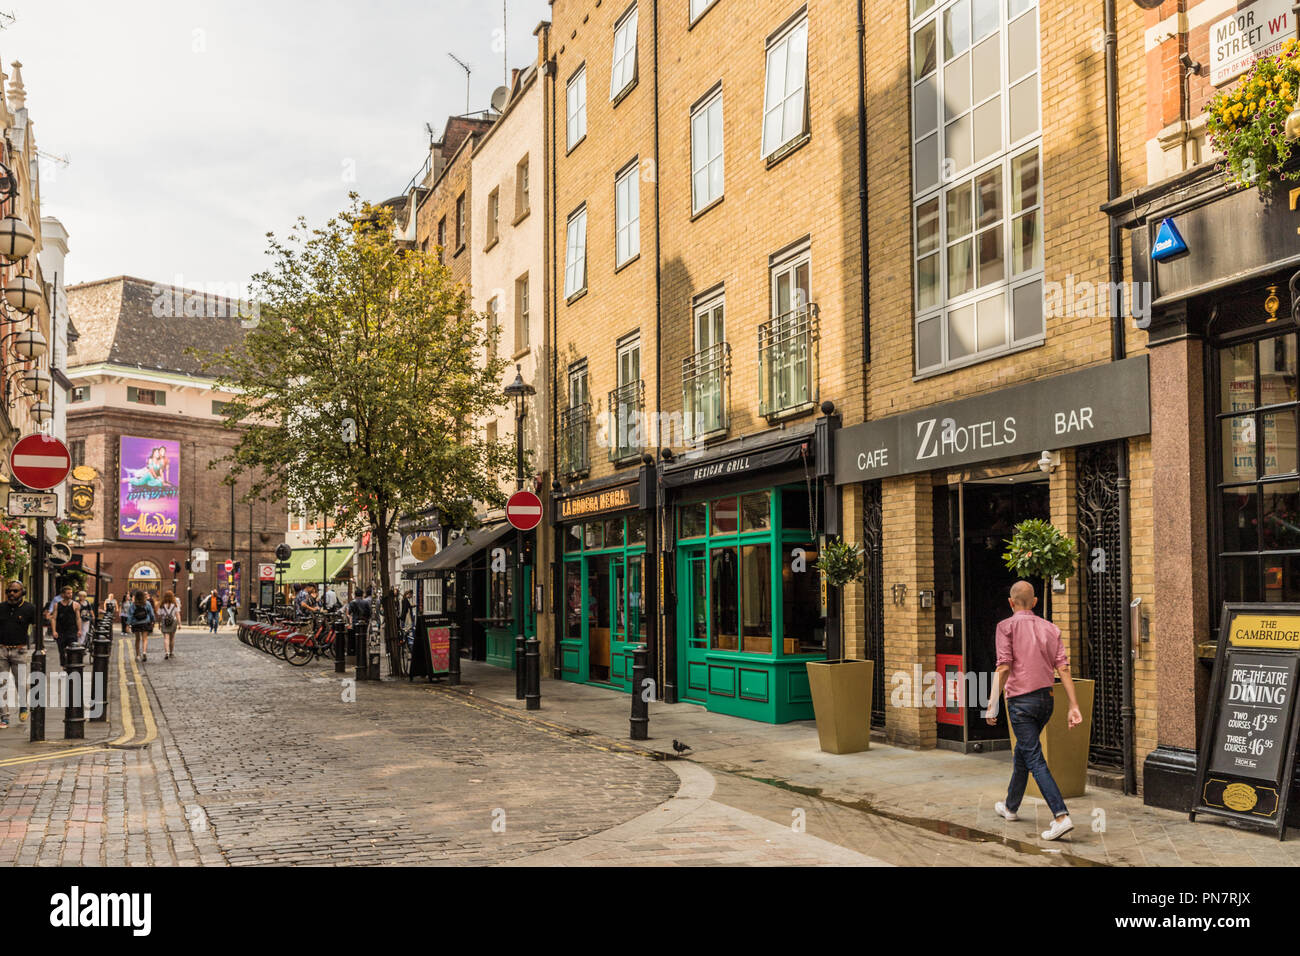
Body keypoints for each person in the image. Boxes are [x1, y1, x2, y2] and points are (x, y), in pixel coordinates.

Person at [984, 580, 1083, 842]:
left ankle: (1061, 816)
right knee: (1024, 753)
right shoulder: (1051, 628)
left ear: (1011, 602)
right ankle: (1010, 806)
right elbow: (1063, 668)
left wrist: (992, 703)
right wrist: (1073, 705)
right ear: (1035, 602)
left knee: (1034, 757)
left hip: (1021, 704)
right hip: (1046, 701)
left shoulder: (1005, 627)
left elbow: (1003, 667)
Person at [0, 581, 35, 728]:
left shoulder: (29, 608)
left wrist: (40, 646)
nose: (12, 594)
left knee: (21, 683)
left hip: (20, 651)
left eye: (15, 591)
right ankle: (4, 717)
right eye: (9, 591)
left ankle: (23, 706)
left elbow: (36, 626)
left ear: (22, 592)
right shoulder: (1, 607)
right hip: (1, 650)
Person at [46, 586, 81, 669]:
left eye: (71, 593)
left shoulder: (76, 605)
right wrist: (54, 631)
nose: (70, 595)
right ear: (63, 594)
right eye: (68, 593)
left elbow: (78, 618)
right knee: (61, 650)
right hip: (60, 631)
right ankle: (63, 666)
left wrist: (79, 630)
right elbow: (54, 619)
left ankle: (70, 665)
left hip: (72, 631)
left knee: (72, 649)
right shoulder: (57, 605)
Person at [128, 590, 154, 662]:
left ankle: (138, 655)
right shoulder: (147, 603)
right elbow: (151, 613)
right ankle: (144, 652)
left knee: (137, 639)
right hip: (145, 622)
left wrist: (129, 624)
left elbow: (130, 615)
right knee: (144, 639)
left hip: (136, 623)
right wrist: (152, 620)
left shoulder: (133, 604)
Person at [158, 590, 181, 660]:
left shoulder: (162, 604)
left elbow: (160, 615)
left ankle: (166, 652)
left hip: (164, 622)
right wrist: (179, 624)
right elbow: (177, 614)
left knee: (166, 638)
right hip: (173, 621)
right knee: (172, 638)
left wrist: (159, 624)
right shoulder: (175, 604)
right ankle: (171, 652)